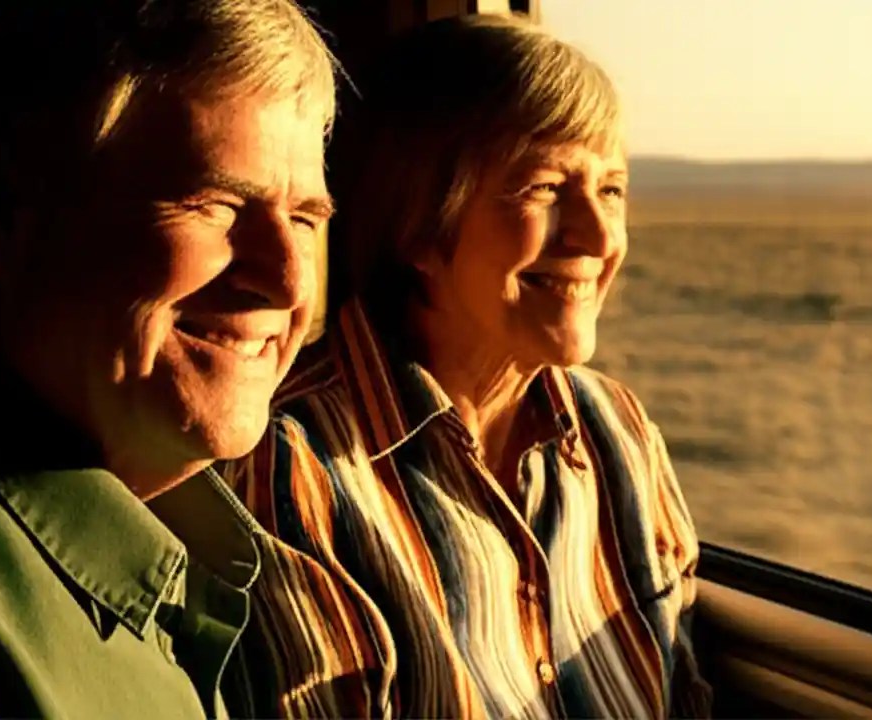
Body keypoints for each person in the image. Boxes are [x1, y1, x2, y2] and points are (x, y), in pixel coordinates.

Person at [228, 13, 713, 718]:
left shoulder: (618, 430)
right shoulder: (292, 467)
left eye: (612, 189)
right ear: (420, 225)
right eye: (545, 189)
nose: (599, 235)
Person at [0, 1, 336, 717]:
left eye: (305, 218)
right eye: (216, 203)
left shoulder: (205, 536)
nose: (290, 280)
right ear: (3, 215)